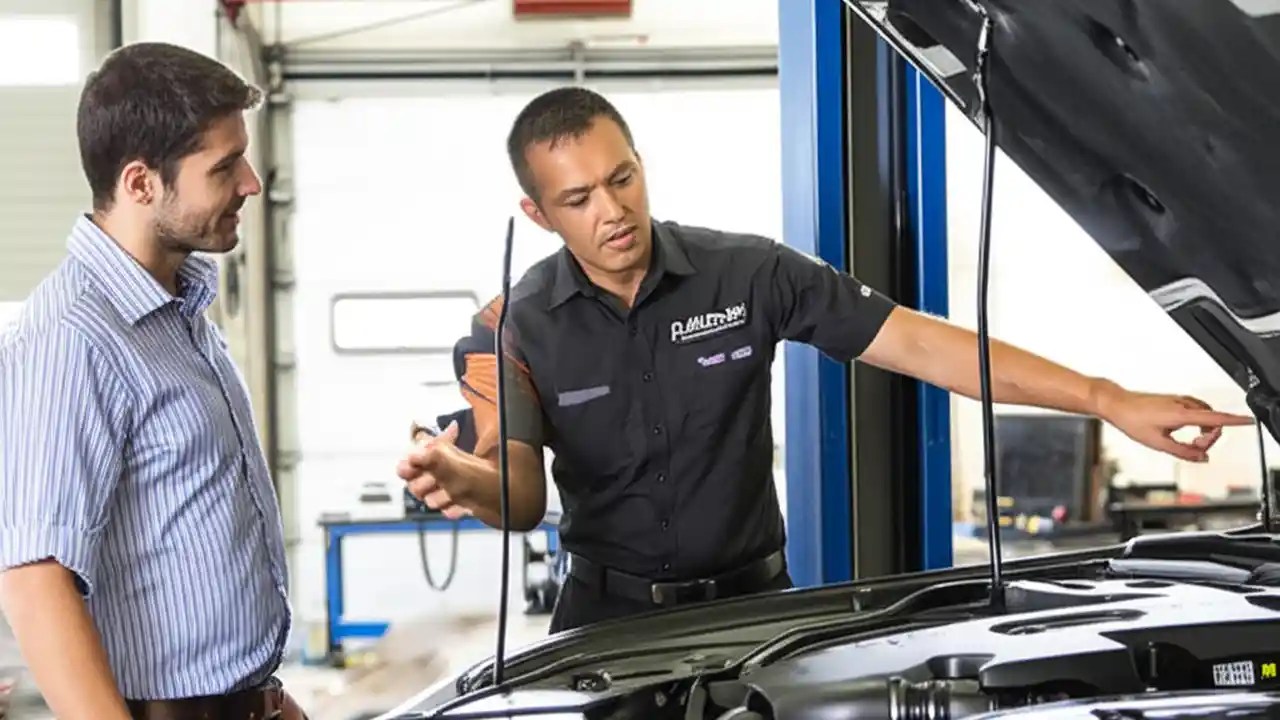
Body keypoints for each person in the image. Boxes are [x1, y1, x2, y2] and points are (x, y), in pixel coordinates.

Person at [397, 86, 1254, 634]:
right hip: (603, 623)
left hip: (758, 609)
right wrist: (457, 477)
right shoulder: (507, 326)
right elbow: (516, 492)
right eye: (578, 199)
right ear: (538, 214)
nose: (612, 211)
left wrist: (1106, 397)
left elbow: (917, 341)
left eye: (622, 179)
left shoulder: (750, 272)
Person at [0, 43, 306, 719]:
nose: (251, 182)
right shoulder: (73, 337)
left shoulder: (180, 310)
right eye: (224, 167)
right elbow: (34, 582)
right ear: (141, 183)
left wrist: (265, 699)